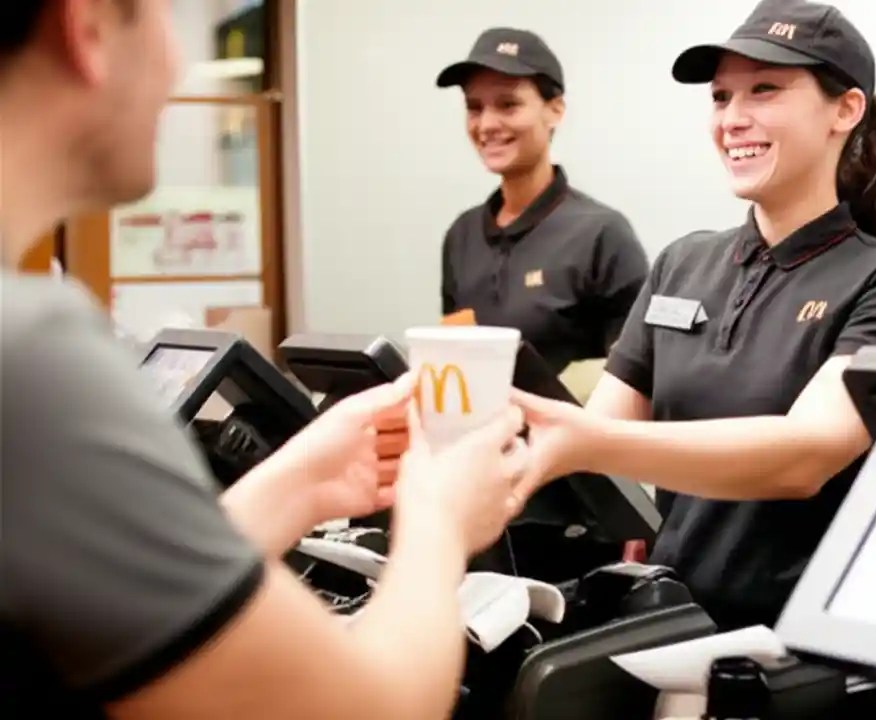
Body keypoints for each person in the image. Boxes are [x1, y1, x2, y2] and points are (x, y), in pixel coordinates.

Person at [0, 1, 527, 717]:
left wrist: (299, 485)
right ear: (86, 26)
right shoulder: (32, 359)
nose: (179, 64)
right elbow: (366, 708)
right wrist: (437, 518)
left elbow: (123, 594)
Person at [510, 0, 876, 631]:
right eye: (720, 97)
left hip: (796, 644)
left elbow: (805, 457)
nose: (733, 119)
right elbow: (601, 441)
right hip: (667, 624)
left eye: (765, 90)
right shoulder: (682, 264)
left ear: (845, 110)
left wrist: (583, 438)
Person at [436, 27, 649, 374]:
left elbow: (637, 375)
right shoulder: (461, 235)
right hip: (483, 428)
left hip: (573, 427)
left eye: (508, 104)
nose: (487, 124)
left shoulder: (602, 234)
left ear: (555, 110)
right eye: (474, 107)